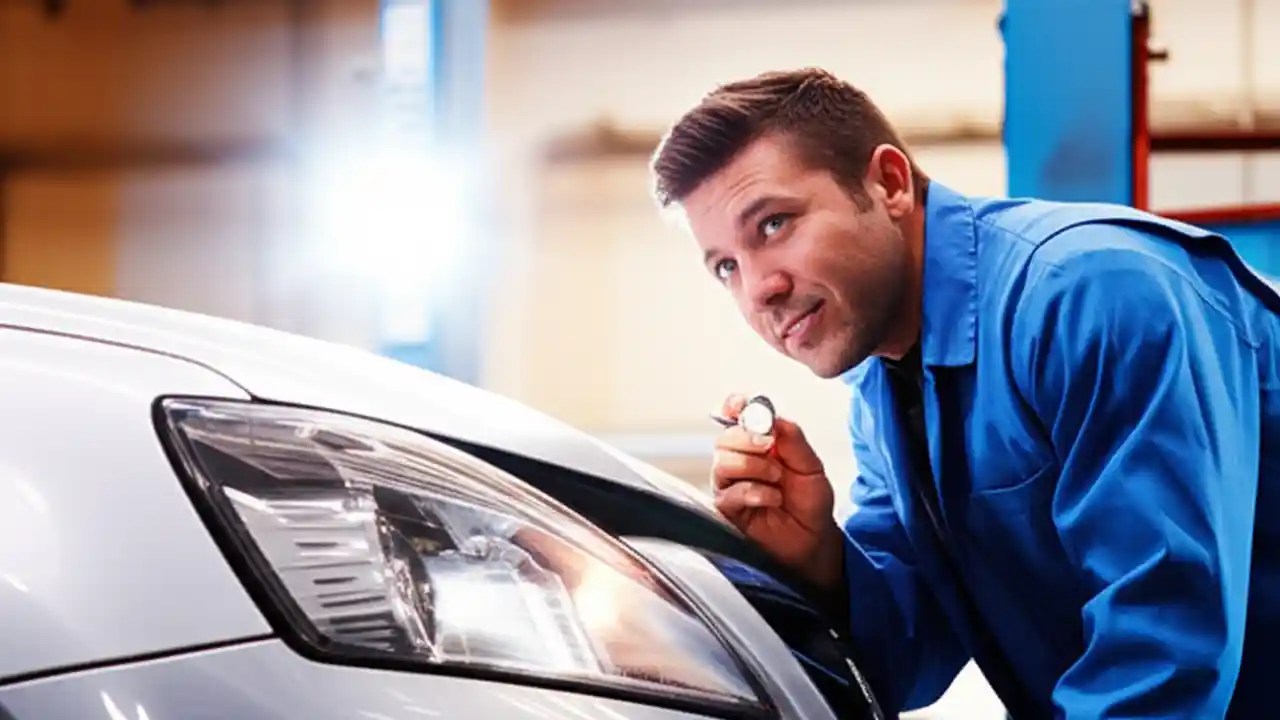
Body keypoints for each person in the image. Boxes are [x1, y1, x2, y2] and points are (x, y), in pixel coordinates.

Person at [648, 67, 1280, 719]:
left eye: (774, 224)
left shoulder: (1090, 297)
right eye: (725, 266)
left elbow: (1162, 653)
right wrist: (820, 560)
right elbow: (909, 654)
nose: (758, 290)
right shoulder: (884, 386)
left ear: (888, 183)